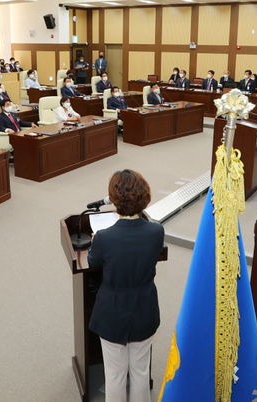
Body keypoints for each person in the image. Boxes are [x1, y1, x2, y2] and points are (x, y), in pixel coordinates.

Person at [88, 169, 164, 402]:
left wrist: (94, 242)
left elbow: (93, 262)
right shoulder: (156, 231)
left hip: (112, 312)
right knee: (141, 372)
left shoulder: (103, 237)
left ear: (114, 200)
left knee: (115, 375)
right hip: (144, 309)